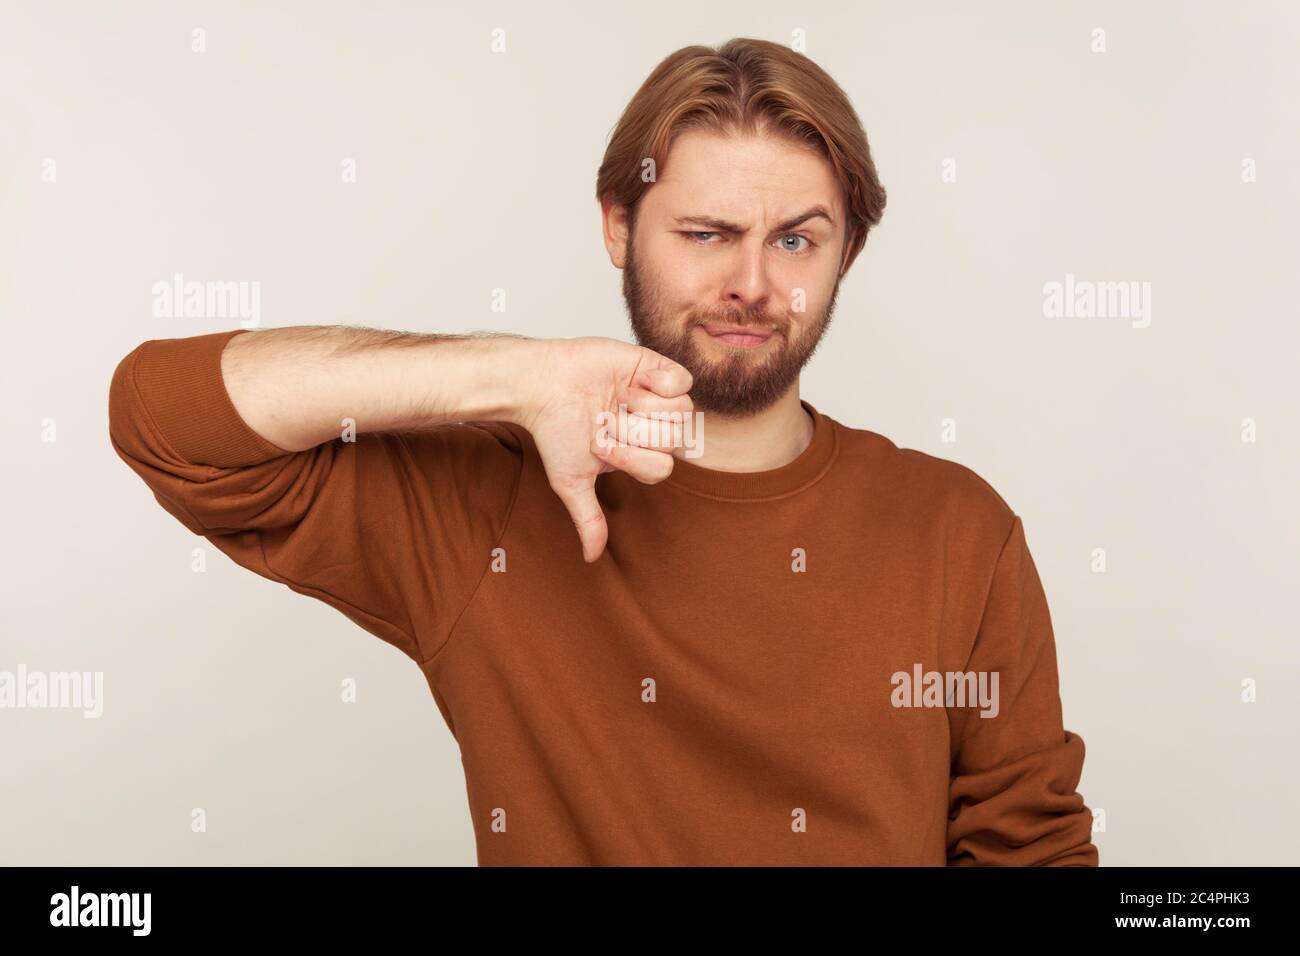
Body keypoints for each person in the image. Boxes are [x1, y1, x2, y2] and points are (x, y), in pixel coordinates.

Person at [108, 37, 1098, 866]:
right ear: (619, 226)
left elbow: (1032, 852)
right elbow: (164, 418)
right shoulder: (489, 505)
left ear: (847, 251)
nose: (751, 283)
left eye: (796, 240)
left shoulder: (957, 529)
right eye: (707, 233)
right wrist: (509, 374)